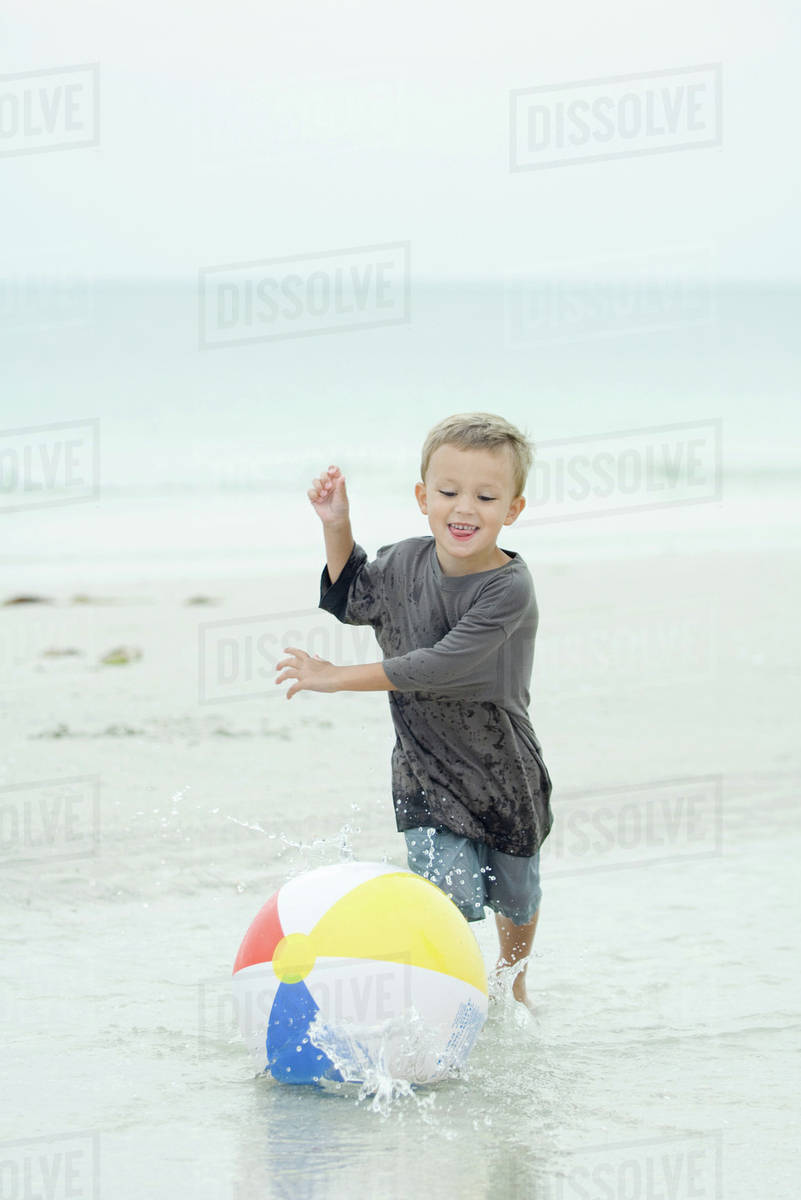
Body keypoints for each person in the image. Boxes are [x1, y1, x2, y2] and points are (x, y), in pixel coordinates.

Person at [274, 412, 553, 1011]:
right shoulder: (403, 564)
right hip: (426, 768)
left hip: (504, 768)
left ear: (514, 508)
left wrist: (334, 676)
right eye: (449, 492)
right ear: (424, 497)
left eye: (486, 496)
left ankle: (514, 982)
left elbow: (438, 665)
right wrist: (337, 525)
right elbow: (353, 596)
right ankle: (452, 995)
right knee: (442, 896)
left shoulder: (508, 588)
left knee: (517, 893)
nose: (465, 508)